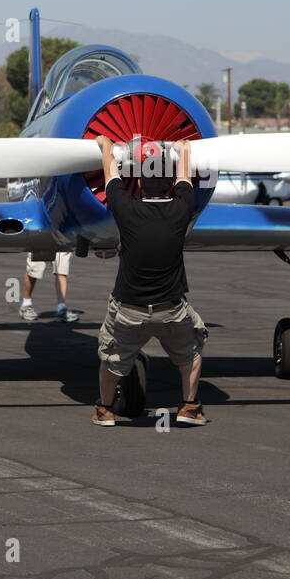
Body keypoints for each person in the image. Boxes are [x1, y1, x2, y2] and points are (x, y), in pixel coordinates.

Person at [93, 136, 208, 427]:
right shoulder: (182, 208)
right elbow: (185, 179)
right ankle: (189, 407)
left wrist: (106, 147)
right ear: (170, 186)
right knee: (191, 354)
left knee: (112, 361)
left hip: (129, 311)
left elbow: (110, 175)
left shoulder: (126, 210)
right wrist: (184, 150)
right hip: (172, 310)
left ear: (140, 186)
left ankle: (105, 410)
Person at [19, 251, 77, 322]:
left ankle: (61, 309)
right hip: (41, 240)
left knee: (62, 269)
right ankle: (26, 305)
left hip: (62, 240)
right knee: (35, 268)